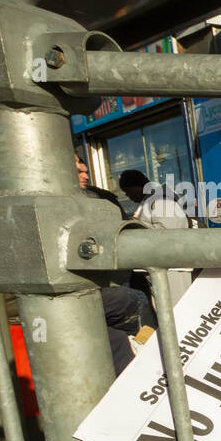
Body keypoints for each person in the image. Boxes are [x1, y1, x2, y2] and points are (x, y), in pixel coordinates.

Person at [75, 152, 154, 373]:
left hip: (104, 280)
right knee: (135, 301)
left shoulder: (97, 196)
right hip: (86, 289)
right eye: (79, 169)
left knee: (118, 335)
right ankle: (149, 362)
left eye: (85, 169)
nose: (86, 173)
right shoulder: (88, 200)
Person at [118, 169, 194, 305]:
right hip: (162, 270)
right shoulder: (151, 200)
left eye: (128, 191)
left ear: (137, 186)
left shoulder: (161, 199)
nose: (128, 196)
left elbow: (168, 233)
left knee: (177, 310)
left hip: (172, 270)